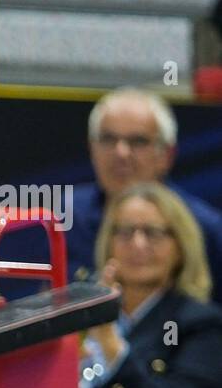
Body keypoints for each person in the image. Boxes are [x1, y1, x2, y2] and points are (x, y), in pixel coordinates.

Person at [80, 182, 222, 388]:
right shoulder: (81, 310)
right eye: (125, 232)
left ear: (180, 247)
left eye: (153, 233)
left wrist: (112, 348)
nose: (138, 244)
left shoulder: (200, 323)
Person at [65, 88, 222, 306]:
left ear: (166, 154)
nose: (121, 153)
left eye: (138, 141)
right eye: (108, 139)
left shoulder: (205, 228)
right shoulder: (67, 216)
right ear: (92, 148)